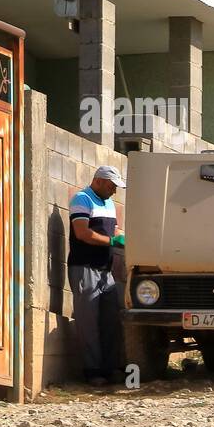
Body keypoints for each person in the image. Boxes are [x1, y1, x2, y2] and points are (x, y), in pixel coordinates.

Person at [68, 164, 126, 386]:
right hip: (85, 267)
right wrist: (112, 241)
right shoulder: (82, 199)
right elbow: (83, 233)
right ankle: (92, 371)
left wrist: (123, 238)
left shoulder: (109, 203)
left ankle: (110, 368)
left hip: (105, 270)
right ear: (99, 181)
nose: (114, 191)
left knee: (111, 320)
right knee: (88, 321)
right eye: (112, 186)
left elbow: (115, 230)